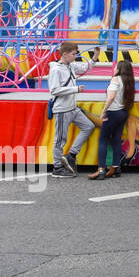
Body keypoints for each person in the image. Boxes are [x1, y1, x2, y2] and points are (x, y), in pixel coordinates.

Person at [47, 43, 97, 177]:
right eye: (73, 54)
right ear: (64, 54)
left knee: (88, 126)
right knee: (60, 140)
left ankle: (71, 155)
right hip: (62, 109)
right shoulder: (56, 70)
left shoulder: (70, 66)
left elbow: (85, 68)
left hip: (72, 108)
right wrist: (75, 89)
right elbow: (54, 90)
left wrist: (95, 57)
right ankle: (57, 168)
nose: (76, 56)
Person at [89, 59, 134, 180]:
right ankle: (116, 167)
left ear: (119, 69)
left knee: (103, 139)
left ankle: (101, 169)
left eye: (116, 67)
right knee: (116, 140)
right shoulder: (129, 81)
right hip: (123, 112)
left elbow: (111, 96)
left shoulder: (115, 79)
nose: (114, 69)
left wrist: (104, 111)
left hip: (113, 112)